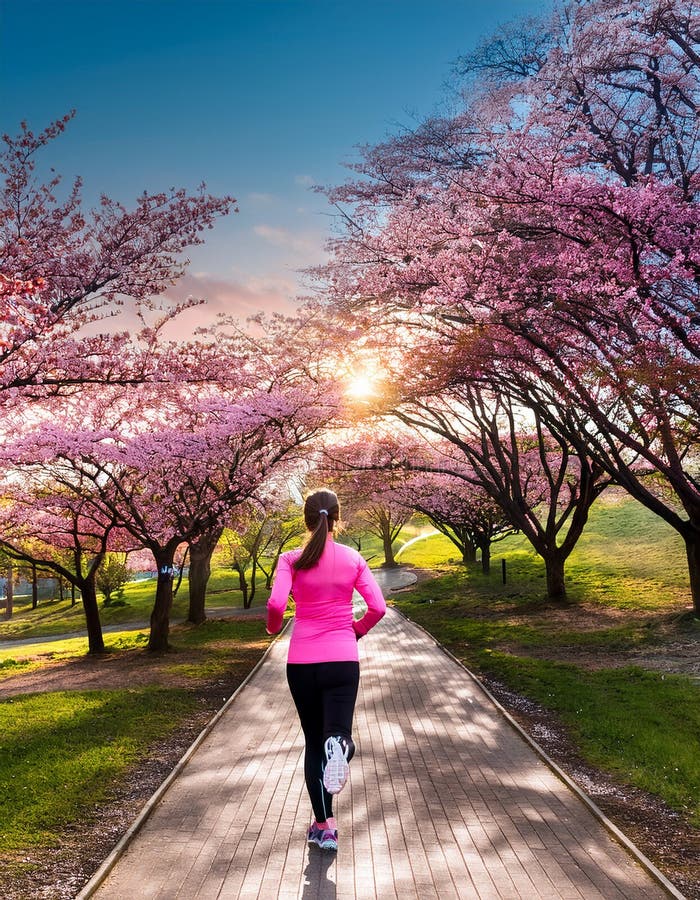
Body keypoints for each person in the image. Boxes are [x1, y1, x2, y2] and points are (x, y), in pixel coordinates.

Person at [266, 488, 386, 852]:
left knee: (312, 745)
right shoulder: (352, 558)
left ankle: (325, 827)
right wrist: (356, 630)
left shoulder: (291, 559)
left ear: (306, 519)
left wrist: (273, 628)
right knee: (334, 737)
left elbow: (275, 603)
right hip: (342, 659)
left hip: (302, 662)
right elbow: (377, 608)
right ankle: (342, 746)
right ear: (336, 518)